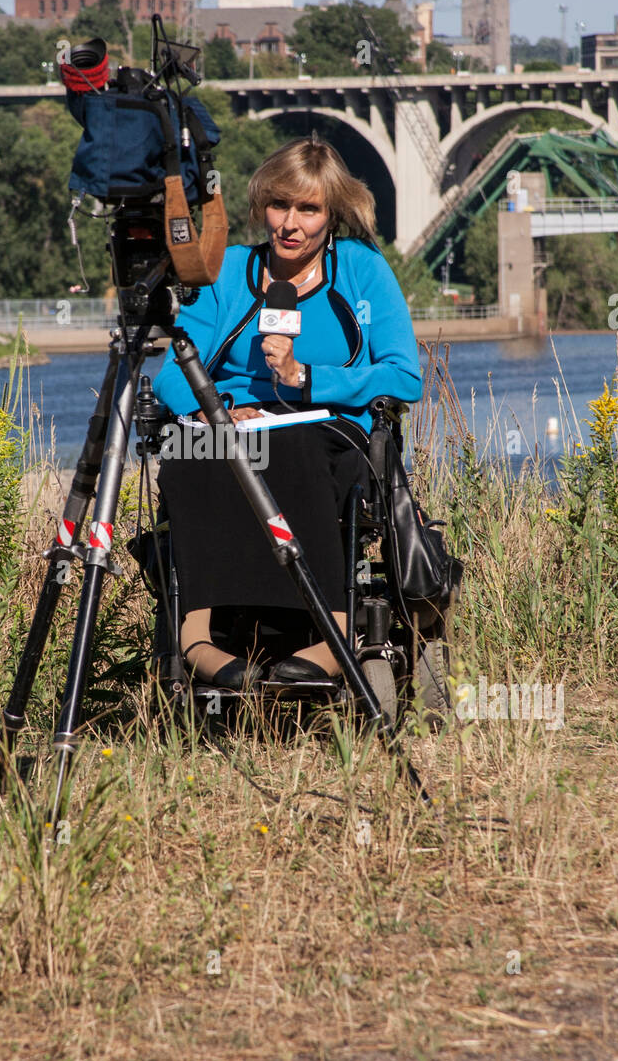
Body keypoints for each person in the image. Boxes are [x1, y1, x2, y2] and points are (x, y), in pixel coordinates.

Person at [153, 136, 422, 688]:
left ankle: (334, 632)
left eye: (309, 209)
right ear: (261, 208)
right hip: (233, 424)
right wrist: (219, 409)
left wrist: (308, 379)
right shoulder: (227, 271)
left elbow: (403, 375)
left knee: (294, 447)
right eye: (280, 206)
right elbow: (172, 375)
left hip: (328, 427)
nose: (291, 224)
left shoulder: (363, 270)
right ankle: (198, 638)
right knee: (190, 450)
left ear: (332, 213)